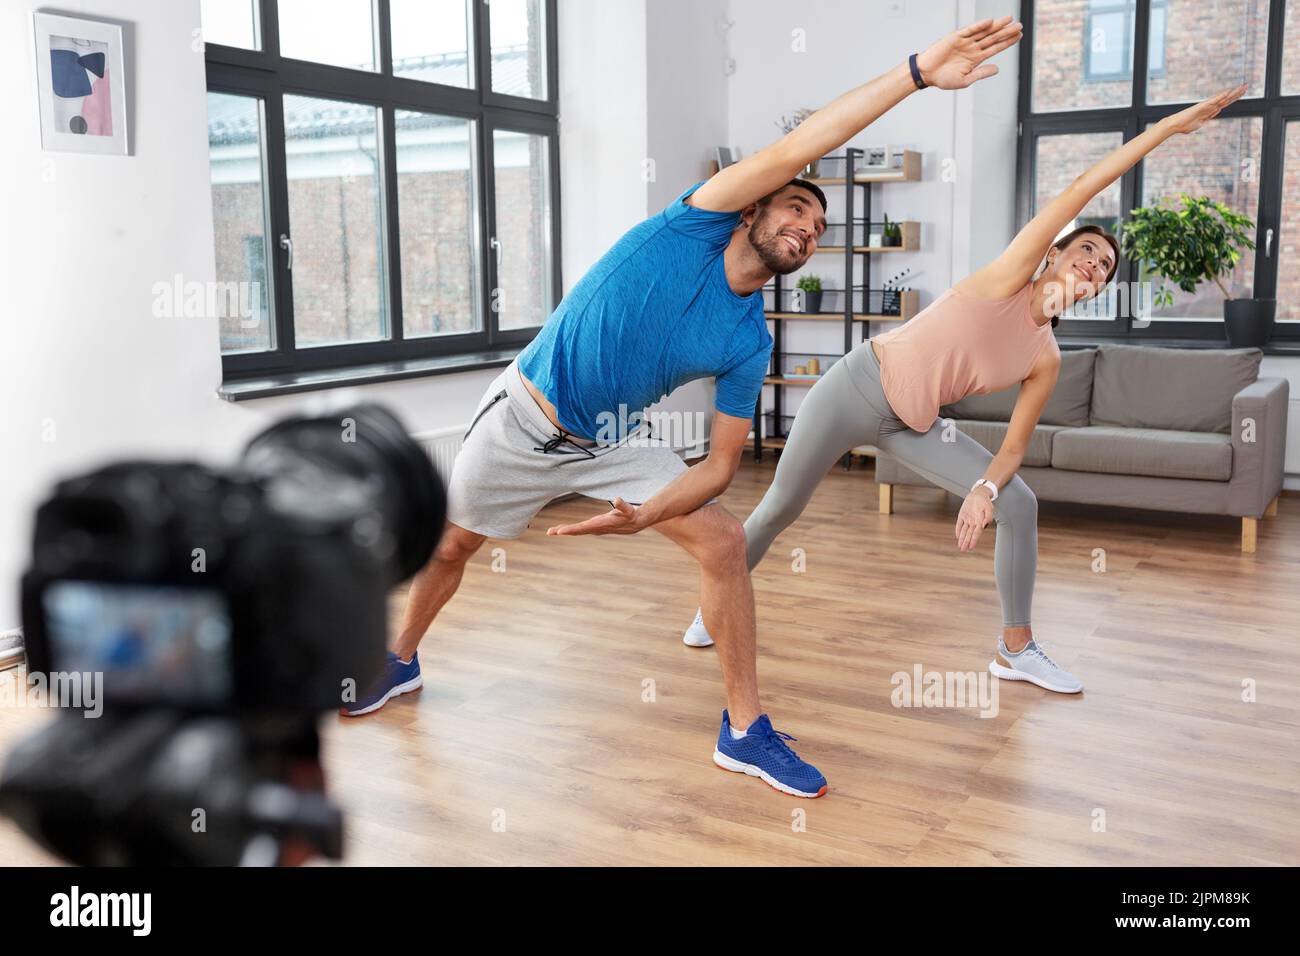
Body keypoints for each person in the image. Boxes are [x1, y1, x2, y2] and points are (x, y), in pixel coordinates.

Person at [345, 18, 1027, 798]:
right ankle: (399, 660)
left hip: (608, 442)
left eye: (819, 227)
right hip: (522, 417)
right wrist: (915, 73)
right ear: (750, 211)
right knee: (452, 549)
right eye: (796, 209)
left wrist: (650, 511)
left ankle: (743, 730)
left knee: (727, 543)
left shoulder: (748, 339)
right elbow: (800, 146)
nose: (807, 226)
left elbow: (723, 463)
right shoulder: (690, 224)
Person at [682, 84, 1248, 697]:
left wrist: (982, 491)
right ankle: (710, 608)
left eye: (1106, 267)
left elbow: (1012, 449)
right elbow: (1082, 188)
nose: (1094, 264)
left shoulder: (1046, 357)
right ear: (1055, 254)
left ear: (1100, 289)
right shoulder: (1006, 277)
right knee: (777, 511)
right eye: (1087, 249)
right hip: (855, 386)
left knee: (1019, 503)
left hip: (913, 423)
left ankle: (1017, 650)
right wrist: (1166, 130)